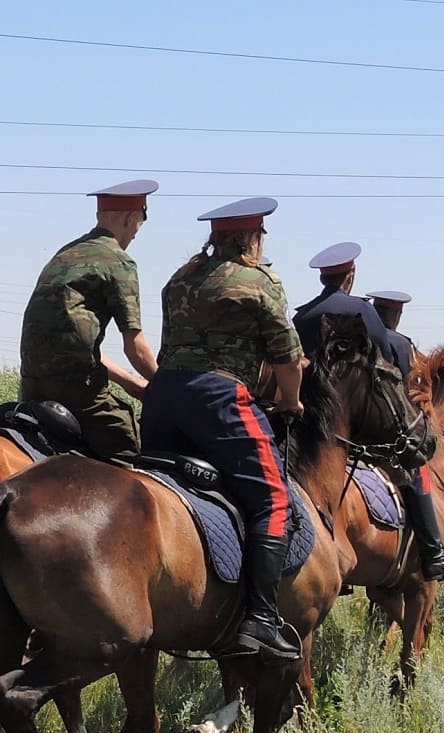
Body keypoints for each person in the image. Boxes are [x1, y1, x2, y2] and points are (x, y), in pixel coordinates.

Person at [141, 197, 304, 661]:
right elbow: (287, 359)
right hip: (219, 398)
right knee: (273, 499)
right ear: (252, 238)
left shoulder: (180, 279)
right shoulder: (259, 280)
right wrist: (290, 402)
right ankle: (262, 619)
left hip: (163, 398)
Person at [19, 179, 160, 464]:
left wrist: (132, 383)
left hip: (31, 385)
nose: (136, 233)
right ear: (132, 218)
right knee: (133, 454)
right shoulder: (118, 262)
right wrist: (165, 387)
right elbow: (135, 346)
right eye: (138, 224)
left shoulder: (66, 254)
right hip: (77, 392)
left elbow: (75, 343)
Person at [361, 288, 444, 581]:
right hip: (383, 436)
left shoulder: (355, 337)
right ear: (397, 314)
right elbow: (411, 393)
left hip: (347, 431)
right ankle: (434, 554)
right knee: (417, 471)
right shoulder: (399, 344)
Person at [291, 242, 394, 363]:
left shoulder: (301, 316)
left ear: (321, 279)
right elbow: (386, 356)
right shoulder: (362, 309)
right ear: (351, 275)